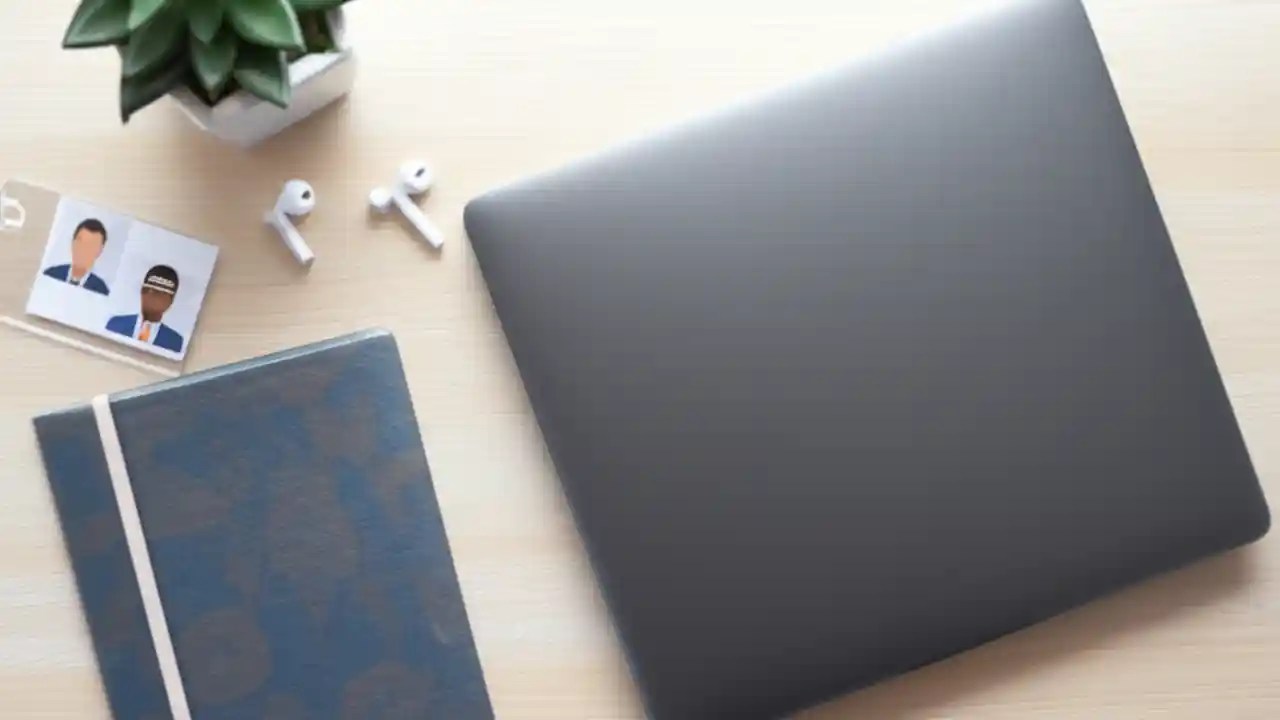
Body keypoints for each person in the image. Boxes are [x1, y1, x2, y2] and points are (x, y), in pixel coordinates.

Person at [106, 265, 184, 353]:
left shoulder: (174, 341)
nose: (153, 299)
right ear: (142, 292)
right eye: (150, 291)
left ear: (170, 301)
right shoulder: (115, 324)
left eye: (161, 294)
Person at [43, 218, 111, 295]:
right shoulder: (51, 274)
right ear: (72, 243)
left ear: (100, 251)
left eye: (91, 246)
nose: (83, 250)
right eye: (80, 242)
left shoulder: (101, 290)